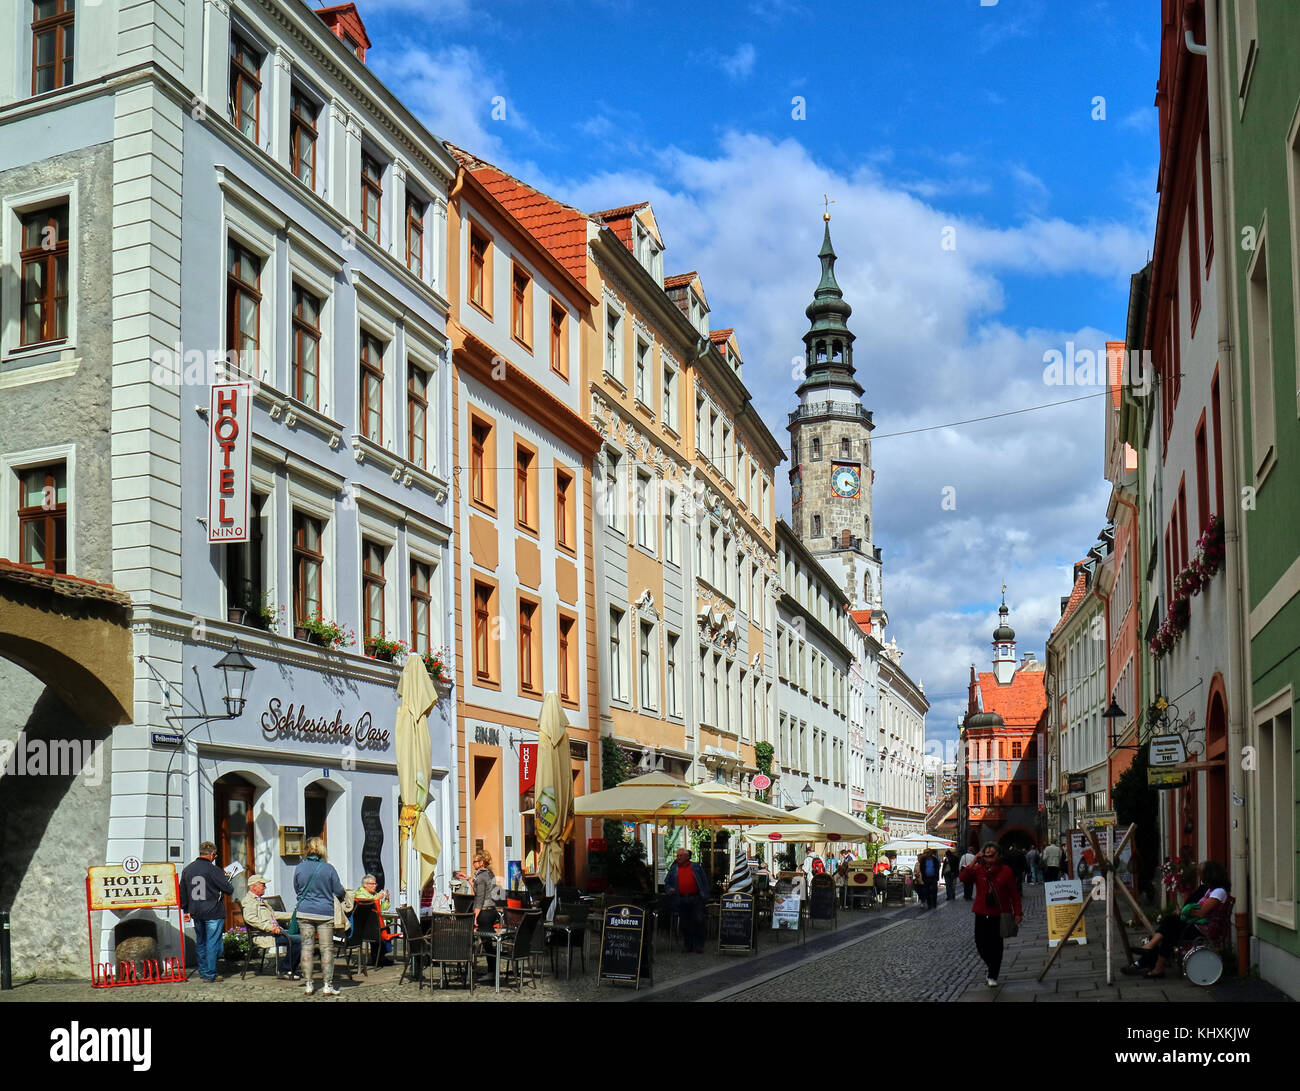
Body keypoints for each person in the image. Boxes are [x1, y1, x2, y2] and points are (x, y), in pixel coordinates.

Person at [1123, 861, 1230, 979]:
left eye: (1201, 873)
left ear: (1209, 874)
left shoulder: (1219, 892)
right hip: (1198, 925)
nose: (1200, 876)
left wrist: (1186, 912)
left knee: (1170, 924)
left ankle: (1151, 953)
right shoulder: (1211, 890)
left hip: (1205, 929)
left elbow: (1202, 913)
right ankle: (1155, 965)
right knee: (1170, 930)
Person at [958, 842, 1022, 988]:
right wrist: (974, 860)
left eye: (991, 856)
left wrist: (1018, 912)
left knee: (996, 945)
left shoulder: (1006, 871)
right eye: (986, 856)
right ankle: (991, 965)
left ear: (999, 855)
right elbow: (963, 878)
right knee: (980, 943)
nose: (988, 859)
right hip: (981, 912)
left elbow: (1014, 894)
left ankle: (993, 974)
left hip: (999, 913)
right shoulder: (979, 869)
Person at [293, 836, 347, 997]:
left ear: (307, 849)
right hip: (324, 913)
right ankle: (326, 985)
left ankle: (309, 984)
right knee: (326, 949)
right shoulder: (328, 868)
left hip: (305, 912)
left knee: (307, 948)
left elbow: (297, 889)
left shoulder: (300, 868)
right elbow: (338, 890)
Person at [180, 840, 234, 984]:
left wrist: (185, 910)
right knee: (212, 943)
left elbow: (183, 892)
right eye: (214, 855)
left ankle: (203, 971)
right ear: (212, 854)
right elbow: (228, 889)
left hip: (196, 911)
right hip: (213, 911)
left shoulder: (188, 869)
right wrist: (225, 877)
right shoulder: (214, 870)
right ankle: (210, 973)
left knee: (201, 942)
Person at [241, 874, 301, 979]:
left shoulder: (259, 900)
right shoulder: (249, 902)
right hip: (265, 936)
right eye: (262, 885)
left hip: (274, 932)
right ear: (253, 887)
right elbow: (250, 919)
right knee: (300, 940)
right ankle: (285, 970)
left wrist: (293, 915)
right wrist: (269, 927)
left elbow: (274, 915)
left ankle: (290, 969)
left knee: (300, 936)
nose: (265, 887)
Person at [665, 848, 709, 953]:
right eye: (677, 856)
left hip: (695, 897)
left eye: (680, 856)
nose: (678, 858)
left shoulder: (696, 867)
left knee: (698, 920)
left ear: (687, 857)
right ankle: (688, 945)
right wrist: (669, 889)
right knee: (685, 923)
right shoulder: (674, 868)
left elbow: (704, 881)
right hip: (681, 898)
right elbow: (667, 882)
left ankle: (698, 945)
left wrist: (706, 895)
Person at [471, 851, 501, 981]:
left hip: (485, 912)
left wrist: (475, 916)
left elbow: (479, 898)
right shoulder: (489, 874)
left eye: (476, 861)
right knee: (488, 942)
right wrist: (470, 881)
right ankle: (492, 971)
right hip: (492, 910)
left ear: (482, 862)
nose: (474, 863)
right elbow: (483, 891)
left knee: (487, 943)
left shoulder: (481, 876)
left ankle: (492, 972)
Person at [351, 874, 392, 966]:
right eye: (372, 884)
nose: (375, 886)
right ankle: (377, 958)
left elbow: (383, 909)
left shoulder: (373, 894)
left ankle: (381, 956)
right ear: (365, 885)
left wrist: (386, 899)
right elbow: (366, 902)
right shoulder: (360, 893)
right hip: (364, 925)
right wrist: (377, 898)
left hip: (373, 923)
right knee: (379, 931)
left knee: (385, 928)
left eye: (375, 884)